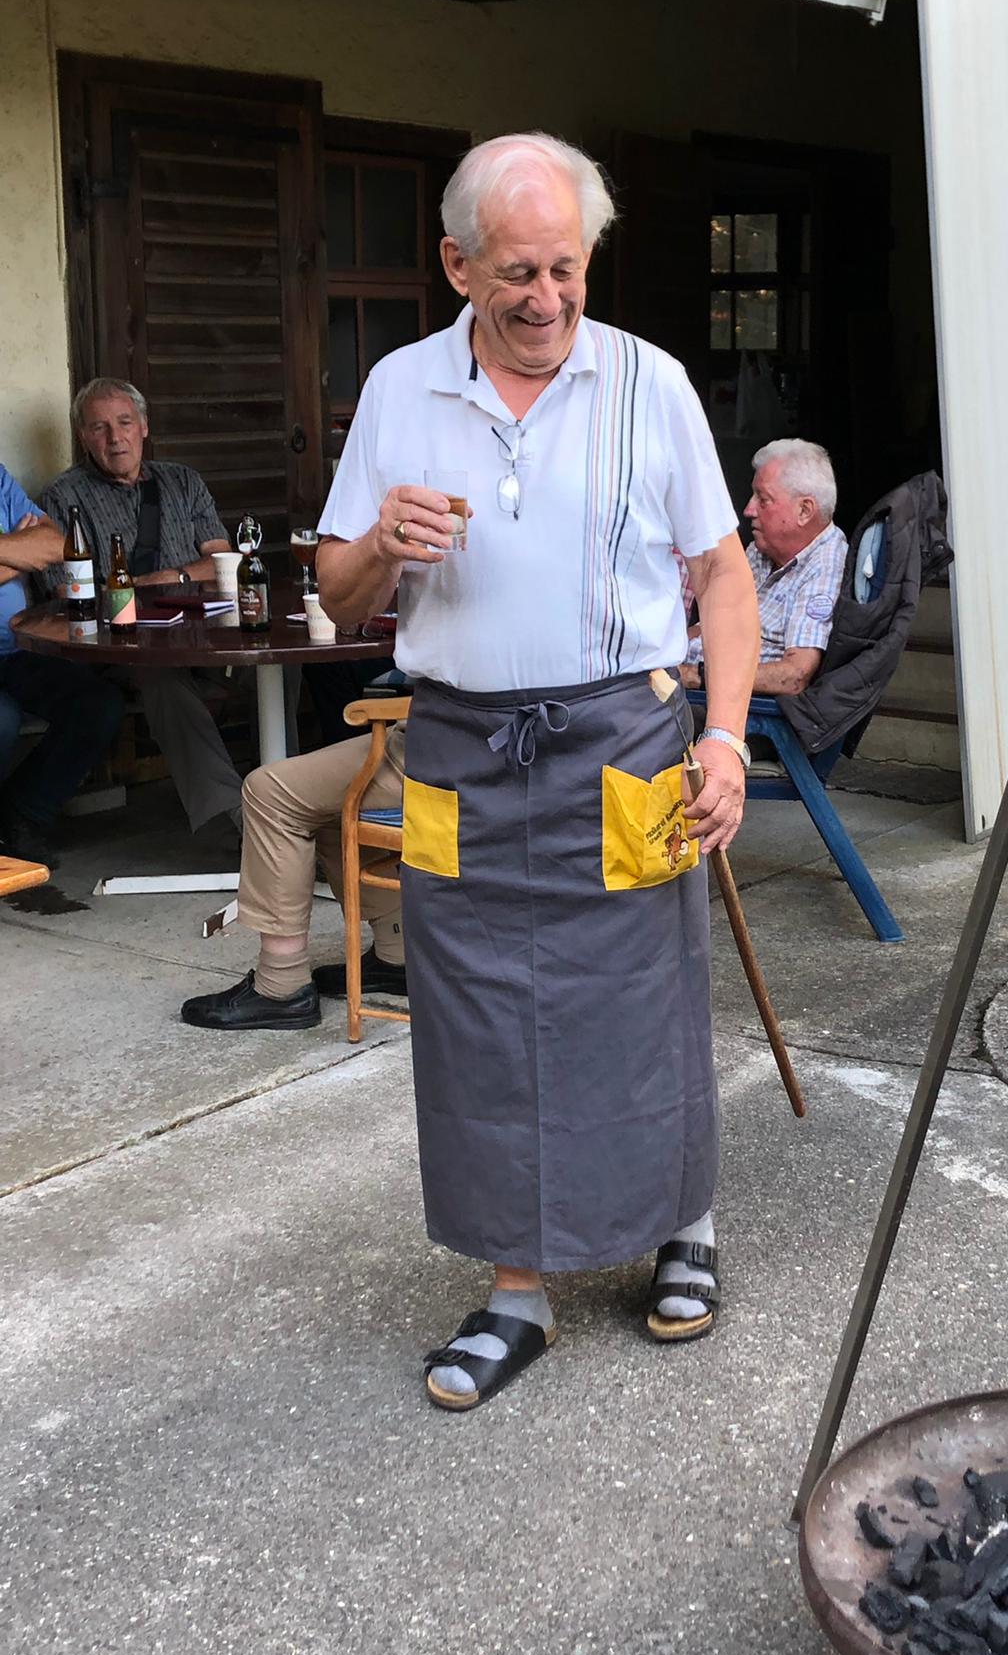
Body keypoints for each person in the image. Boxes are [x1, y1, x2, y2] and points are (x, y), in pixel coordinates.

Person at [316, 132, 759, 1412]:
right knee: (477, 1019)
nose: (547, 298)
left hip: (624, 738)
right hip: (458, 748)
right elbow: (337, 586)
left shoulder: (649, 383)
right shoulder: (402, 390)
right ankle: (518, 1292)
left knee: (644, 1000)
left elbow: (723, 575)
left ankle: (685, 1225)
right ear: (458, 264)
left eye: (566, 267)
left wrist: (723, 736)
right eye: (517, 271)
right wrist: (377, 552)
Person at [41, 380, 246, 837]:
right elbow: (65, 590)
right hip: (123, 645)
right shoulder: (62, 498)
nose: (115, 438)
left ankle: (288, 795)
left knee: (279, 664)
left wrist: (163, 579)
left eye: (124, 423)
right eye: (99, 427)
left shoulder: (182, 481)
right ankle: (234, 818)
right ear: (83, 437)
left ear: (144, 427)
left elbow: (222, 560)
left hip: (207, 629)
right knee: (159, 676)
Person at [178, 726, 407, 1031]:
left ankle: (281, 986)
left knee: (268, 793)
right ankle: (397, 953)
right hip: (473, 750)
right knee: (322, 795)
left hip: (448, 749)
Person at [0, 466, 126, 863]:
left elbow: (57, 542)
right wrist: (19, 550)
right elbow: (35, 551)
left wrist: (31, 548)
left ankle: (21, 815)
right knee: (1, 720)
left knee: (99, 705)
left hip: (14, 648)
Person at [680, 438, 847, 695]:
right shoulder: (762, 549)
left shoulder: (825, 564)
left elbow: (793, 676)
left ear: (804, 510)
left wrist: (694, 675)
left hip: (721, 705)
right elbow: (709, 625)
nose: (748, 510)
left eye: (763, 499)